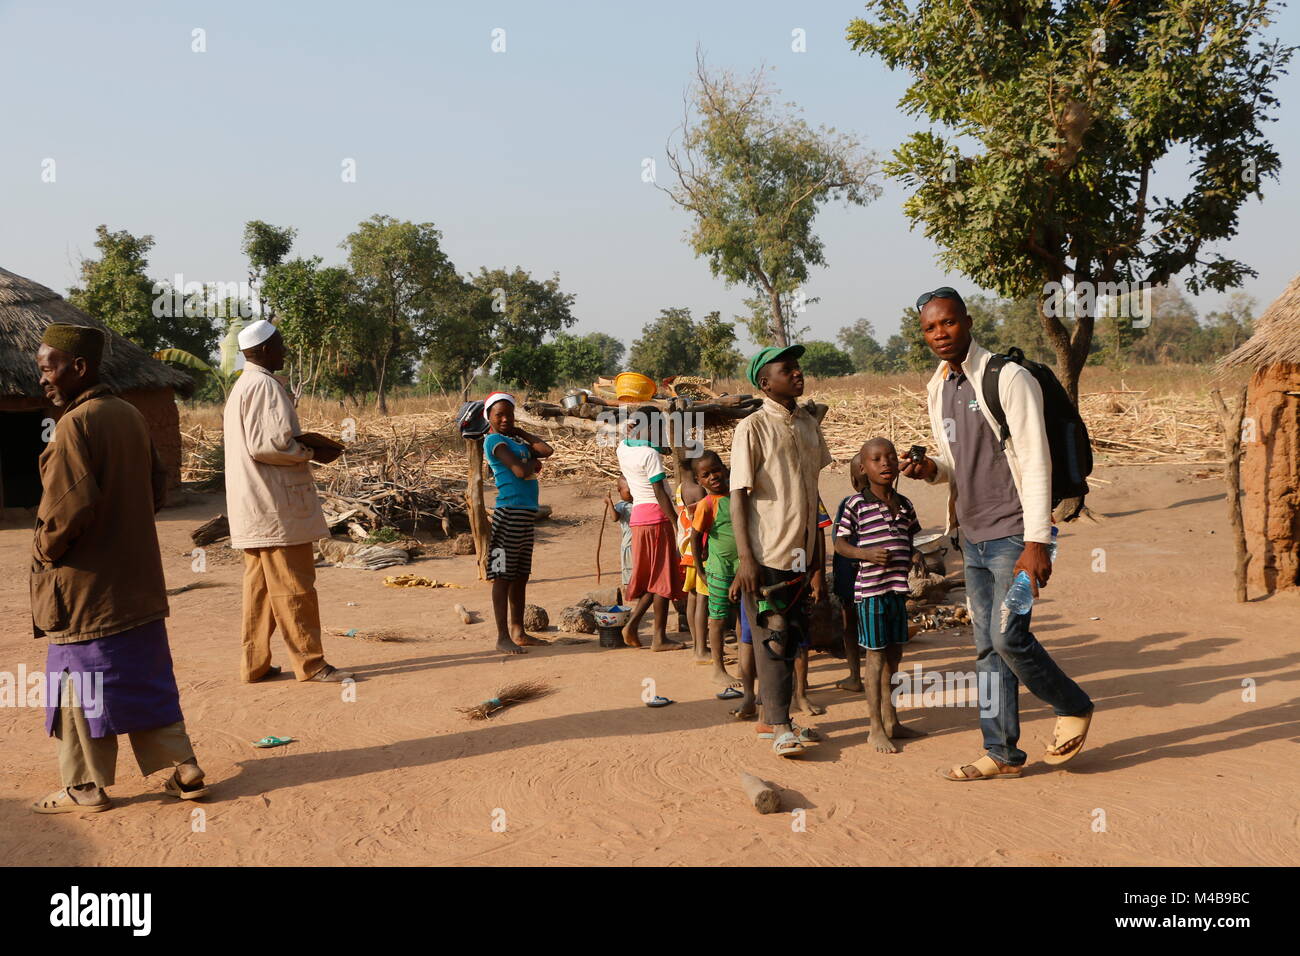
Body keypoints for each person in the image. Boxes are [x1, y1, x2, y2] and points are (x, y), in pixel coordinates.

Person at [901, 287, 1094, 781]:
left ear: (967, 321)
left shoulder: (1007, 378)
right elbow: (958, 461)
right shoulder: (937, 386)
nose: (939, 334)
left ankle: (1072, 704)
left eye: (947, 323)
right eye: (929, 328)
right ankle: (1001, 752)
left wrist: (1037, 542)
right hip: (972, 537)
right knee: (986, 648)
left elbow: (1035, 460)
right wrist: (932, 470)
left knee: (1010, 636)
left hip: (1015, 535)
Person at [29, 324, 209, 813]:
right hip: (138, 584)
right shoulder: (128, 414)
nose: (43, 377)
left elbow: (68, 509)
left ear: (79, 368)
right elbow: (156, 490)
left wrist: (44, 551)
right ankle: (184, 769)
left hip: (86, 592)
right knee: (144, 676)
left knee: (78, 682)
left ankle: (84, 786)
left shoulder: (75, 425)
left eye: (50, 367)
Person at [224, 319, 351, 684]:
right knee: (295, 587)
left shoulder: (243, 385)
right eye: (279, 345)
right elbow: (270, 445)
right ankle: (311, 665)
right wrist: (310, 449)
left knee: (260, 592)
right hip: (276, 508)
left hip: (256, 508)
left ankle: (255, 664)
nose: (284, 351)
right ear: (262, 350)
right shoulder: (264, 385)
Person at [730, 345, 832, 758]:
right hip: (767, 551)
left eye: (797, 367)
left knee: (791, 639)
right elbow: (738, 496)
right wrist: (746, 559)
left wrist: (817, 561)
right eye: (786, 369)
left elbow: (814, 493)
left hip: (801, 551)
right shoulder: (752, 428)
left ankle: (772, 718)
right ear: (764, 382)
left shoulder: (808, 422)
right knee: (773, 637)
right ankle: (782, 726)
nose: (797, 373)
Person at [834, 438, 926, 753]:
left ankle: (892, 720)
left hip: (897, 592)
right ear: (863, 467)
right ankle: (874, 727)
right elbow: (840, 544)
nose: (885, 463)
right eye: (876, 459)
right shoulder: (854, 504)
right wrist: (865, 554)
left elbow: (908, 538)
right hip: (871, 592)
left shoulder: (905, 504)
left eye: (889, 457)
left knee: (895, 657)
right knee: (874, 658)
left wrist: (914, 555)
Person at [482, 392, 555, 655]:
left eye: (509, 414)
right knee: (502, 577)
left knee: (521, 576)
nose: (504, 419)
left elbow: (547, 450)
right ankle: (503, 636)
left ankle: (518, 631)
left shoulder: (513, 439)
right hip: (507, 516)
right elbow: (521, 471)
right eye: (498, 414)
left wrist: (521, 431)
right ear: (488, 417)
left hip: (524, 516)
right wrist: (529, 463)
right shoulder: (494, 441)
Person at [617, 407, 686, 651]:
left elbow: (641, 444)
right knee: (663, 579)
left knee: (653, 578)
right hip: (657, 518)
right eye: (658, 428)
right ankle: (658, 637)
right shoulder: (649, 455)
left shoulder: (624, 449)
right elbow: (659, 491)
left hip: (639, 519)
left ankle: (633, 626)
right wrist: (676, 521)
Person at [688, 451, 741, 689]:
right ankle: (718, 669)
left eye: (715, 470)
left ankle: (745, 664)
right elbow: (695, 536)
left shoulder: (738, 496)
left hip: (743, 567)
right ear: (698, 481)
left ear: (725, 468)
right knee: (717, 619)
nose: (713, 477)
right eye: (705, 475)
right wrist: (700, 569)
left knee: (744, 615)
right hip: (719, 568)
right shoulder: (707, 504)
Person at [832, 456, 867, 694]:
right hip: (856, 574)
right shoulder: (893, 502)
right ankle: (866, 675)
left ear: (853, 480)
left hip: (850, 574)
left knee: (851, 626)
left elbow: (837, 541)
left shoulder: (848, 503)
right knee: (856, 625)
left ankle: (855, 675)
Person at [675, 469, 710, 663]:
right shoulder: (699, 492)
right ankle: (701, 649)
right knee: (702, 601)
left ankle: (697, 645)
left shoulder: (681, 488)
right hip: (700, 553)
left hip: (687, 551)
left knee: (693, 599)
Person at [607, 476, 635, 599]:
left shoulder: (639, 501)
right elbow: (614, 518)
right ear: (619, 490)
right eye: (629, 491)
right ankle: (628, 593)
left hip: (639, 544)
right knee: (629, 570)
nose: (633, 494)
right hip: (629, 545)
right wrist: (610, 504)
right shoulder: (622, 505)